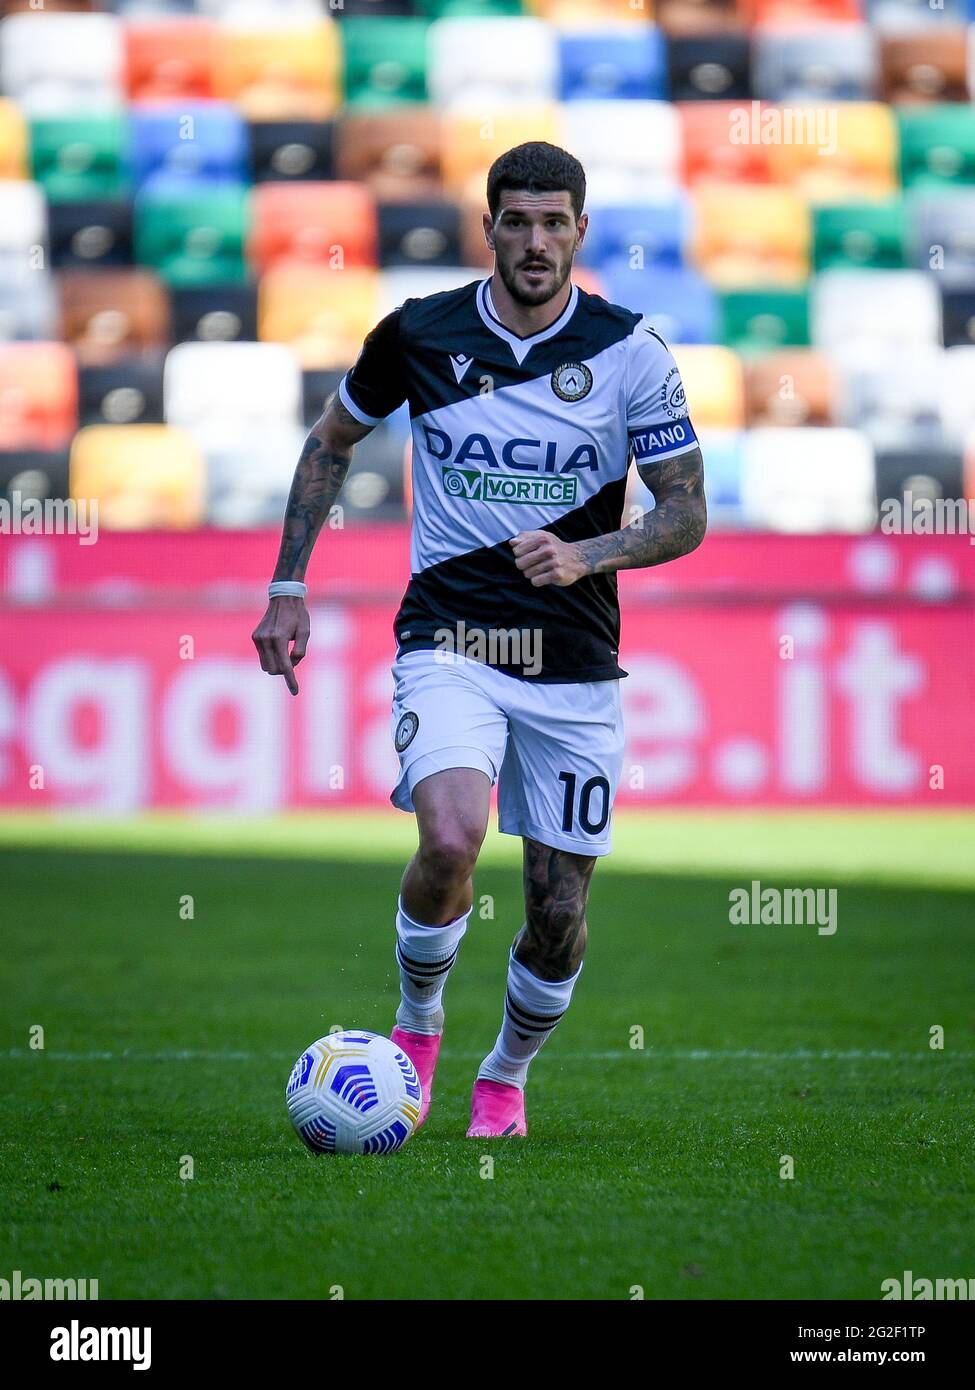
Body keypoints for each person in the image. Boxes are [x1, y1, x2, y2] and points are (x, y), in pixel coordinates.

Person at [253, 142, 707, 1138]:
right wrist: (290, 582)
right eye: (518, 221)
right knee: (450, 835)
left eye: (555, 222)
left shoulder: (632, 352)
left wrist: (592, 553)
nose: (536, 241)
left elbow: (686, 513)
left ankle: (504, 1073)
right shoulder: (420, 335)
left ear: (581, 231)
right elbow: (333, 438)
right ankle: (417, 1027)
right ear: (489, 227)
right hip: (450, 637)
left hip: (575, 665)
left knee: (555, 915)